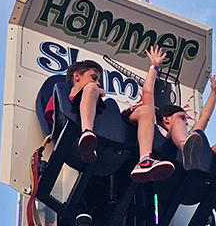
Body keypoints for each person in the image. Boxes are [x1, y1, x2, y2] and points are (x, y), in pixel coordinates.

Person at [64, 47, 174, 182]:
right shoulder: (63, 98)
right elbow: (54, 124)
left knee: (146, 110)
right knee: (91, 88)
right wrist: (93, 90)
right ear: (76, 76)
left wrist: (154, 67)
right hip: (75, 145)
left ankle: (145, 160)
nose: (98, 83)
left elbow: (148, 95)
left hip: (109, 150)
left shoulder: (103, 108)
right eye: (94, 77)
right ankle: (86, 133)